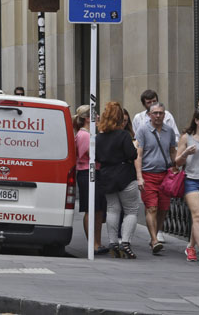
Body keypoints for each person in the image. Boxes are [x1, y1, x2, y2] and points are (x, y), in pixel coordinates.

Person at [95, 101, 139, 258]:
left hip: (107, 176)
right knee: (131, 210)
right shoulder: (123, 135)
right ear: (120, 118)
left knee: (112, 209)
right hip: (125, 175)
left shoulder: (98, 138)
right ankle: (125, 243)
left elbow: (96, 157)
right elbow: (132, 155)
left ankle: (113, 242)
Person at [135, 101, 177, 254]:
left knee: (163, 209)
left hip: (165, 175)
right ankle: (154, 240)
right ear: (149, 115)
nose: (158, 116)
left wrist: (176, 166)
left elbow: (172, 150)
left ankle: (156, 234)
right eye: (155, 113)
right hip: (148, 174)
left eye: (161, 113)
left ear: (164, 115)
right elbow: (138, 155)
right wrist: (139, 176)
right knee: (151, 207)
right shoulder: (143, 130)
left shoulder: (169, 131)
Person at [73, 105, 107, 255]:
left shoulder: (90, 134)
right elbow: (88, 153)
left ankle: (97, 242)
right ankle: (92, 243)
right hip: (87, 172)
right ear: (88, 118)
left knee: (98, 209)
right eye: (95, 115)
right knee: (91, 208)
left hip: (95, 171)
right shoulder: (84, 135)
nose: (98, 117)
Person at [176, 108, 199, 265]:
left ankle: (191, 247)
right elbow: (177, 163)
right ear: (197, 121)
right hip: (192, 180)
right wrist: (185, 153)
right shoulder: (187, 138)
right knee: (198, 215)